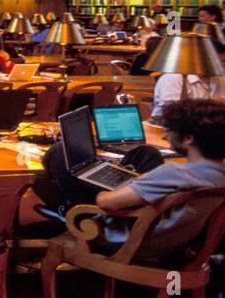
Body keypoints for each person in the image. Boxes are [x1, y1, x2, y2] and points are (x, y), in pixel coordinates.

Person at [37, 99, 225, 256]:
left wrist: (127, 183)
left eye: (171, 129)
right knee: (147, 152)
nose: (167, 134)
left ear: (189, 139)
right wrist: (141, 180)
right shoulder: (218, 174)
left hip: (126, 237)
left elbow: (105, 202)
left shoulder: (174, 173)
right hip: (174, 240)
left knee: (60, 152)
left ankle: (65, 211)